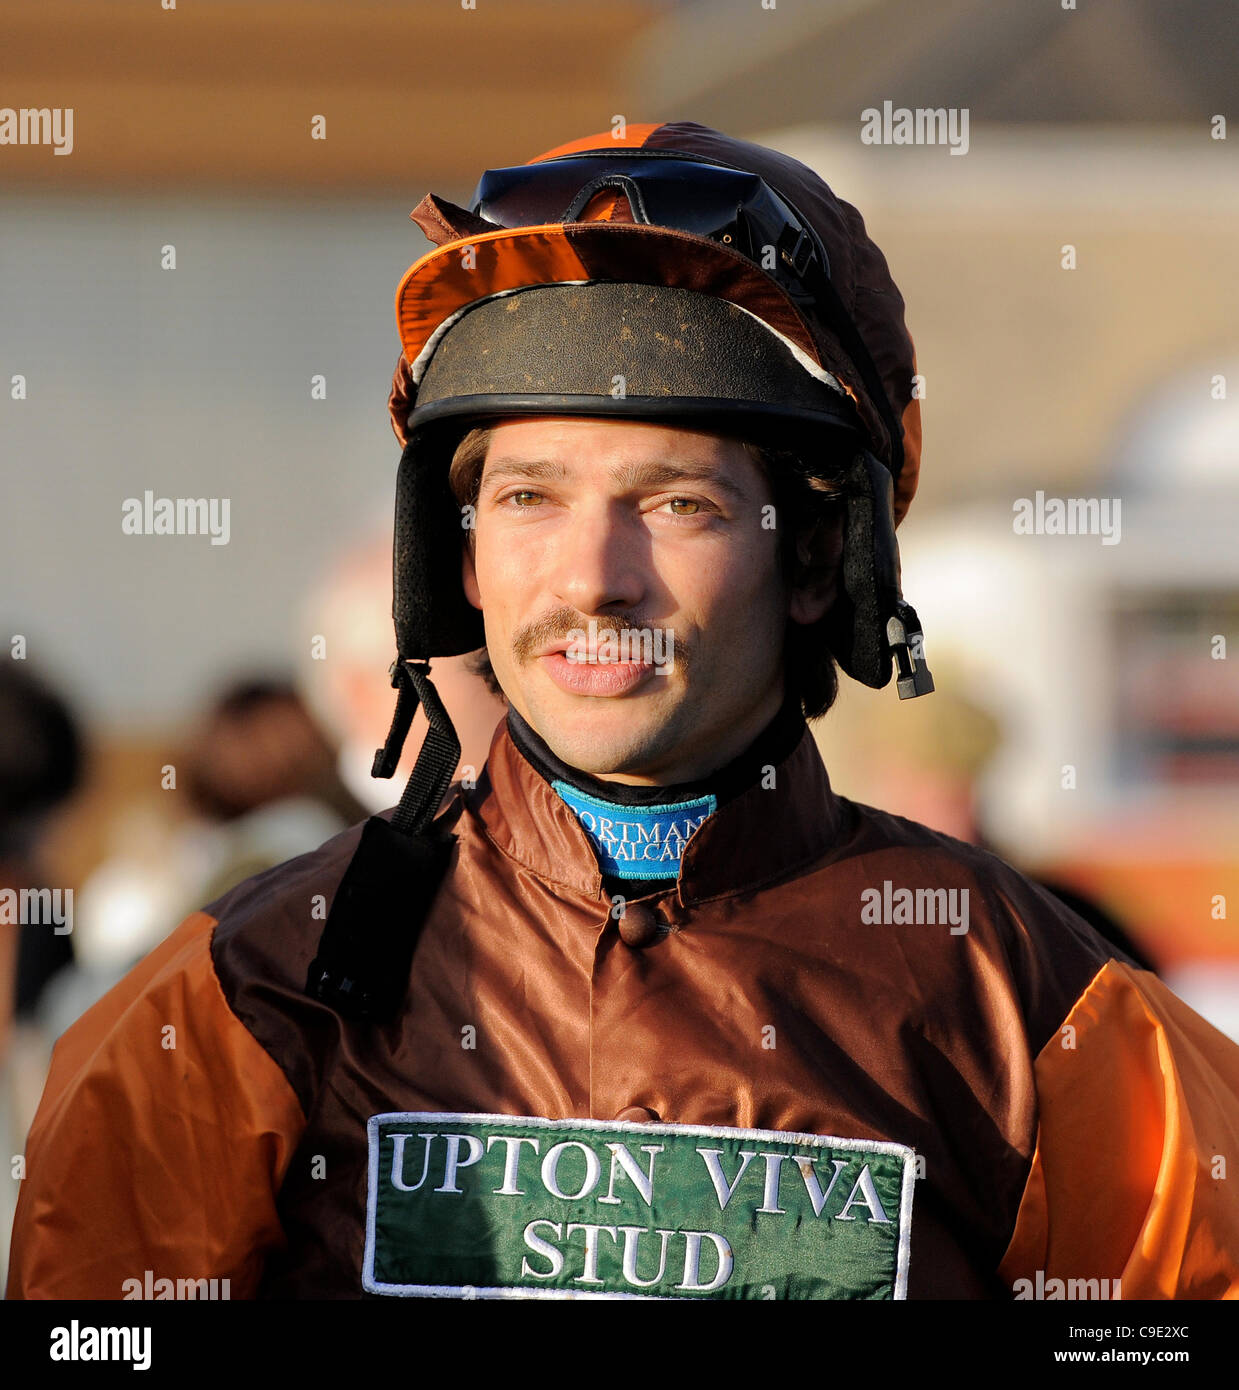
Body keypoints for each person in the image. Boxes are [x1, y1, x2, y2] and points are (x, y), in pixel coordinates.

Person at [8, 122, 1239, 1302]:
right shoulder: (244, 994)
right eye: (530, 496)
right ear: (461, 559)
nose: (592, 573)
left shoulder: (1039, 1009)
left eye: (675, 502)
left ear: (817, 562)